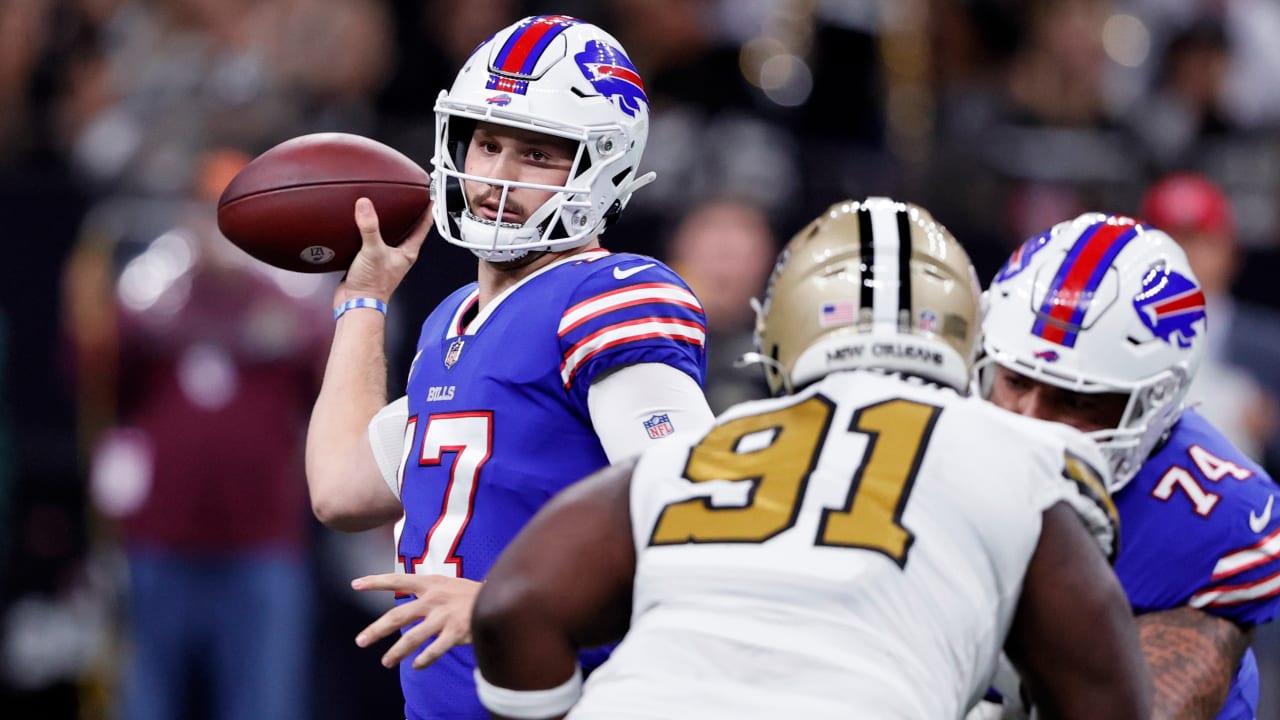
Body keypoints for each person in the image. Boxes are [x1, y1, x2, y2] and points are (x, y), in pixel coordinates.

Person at [469, 197, 1151, 720]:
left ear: (777, 331)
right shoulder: (1019, 454)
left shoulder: (703, 446)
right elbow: (1110, 698)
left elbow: (511, 606)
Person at [303, 15, 715, 720]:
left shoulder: (607, 297)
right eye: (488, 143)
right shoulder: (454, 320)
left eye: (536, 154)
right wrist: (363, 302)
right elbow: (340, 490)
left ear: (604, 168)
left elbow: (697, 525)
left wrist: (511, 606)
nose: (495, 177)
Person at [976, 211, 1280, 719]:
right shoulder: (934, 435)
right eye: (1015, 381)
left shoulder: (1216, 515)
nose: (1028, 422)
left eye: (1075, 399)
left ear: (1155, 403)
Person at [62, 147, 330, 720]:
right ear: (189, 216)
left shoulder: (291, 307)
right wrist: (86, 309)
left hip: (260, 542)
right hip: (161, 542)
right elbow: (94, 379)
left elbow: (333, 383)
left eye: (237, 213)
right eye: (210, 211)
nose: (221, 230)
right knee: (148, 697)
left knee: (264, 703)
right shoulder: (152, 298)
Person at [1139, 172, 1280, 472]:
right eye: (1171, 239)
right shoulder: (1115, 335)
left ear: (1230, 251)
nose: (1185, 254)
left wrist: (1270, 427)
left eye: (1200, 240)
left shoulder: (1271, 346)